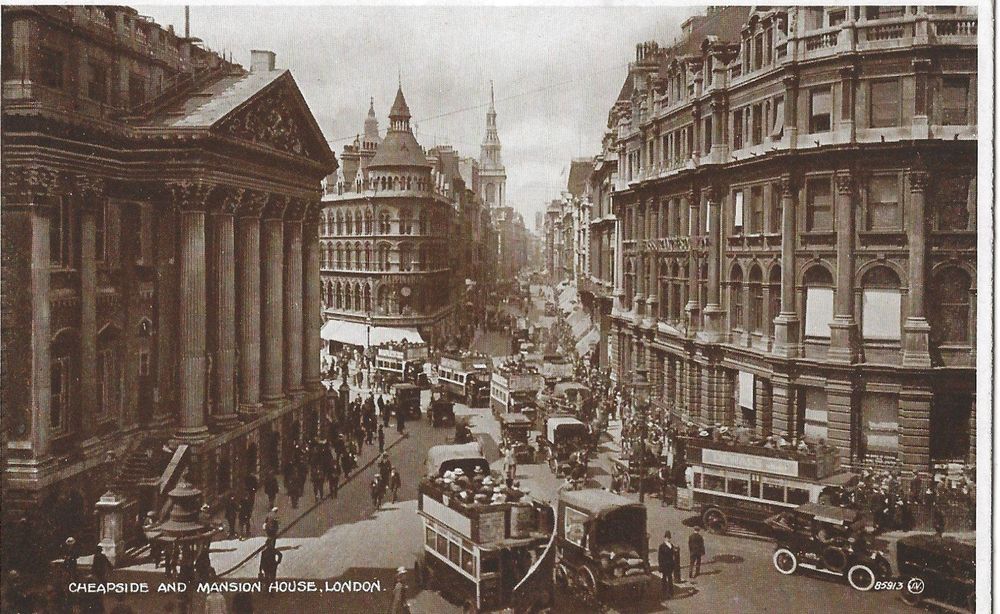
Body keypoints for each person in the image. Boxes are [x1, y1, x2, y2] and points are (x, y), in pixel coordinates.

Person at [657, 531, 677, 599]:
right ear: (665, 538)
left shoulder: (671, 545)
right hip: (664, 564)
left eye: (669, 538)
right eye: (667, 537)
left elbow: (673, 555)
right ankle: (664, 592)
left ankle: (671, 592)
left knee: (670, 578)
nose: (668, 539)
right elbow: (660, 557)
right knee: (664, 578)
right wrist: (660, 566)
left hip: (670, 564)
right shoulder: (662, 546)